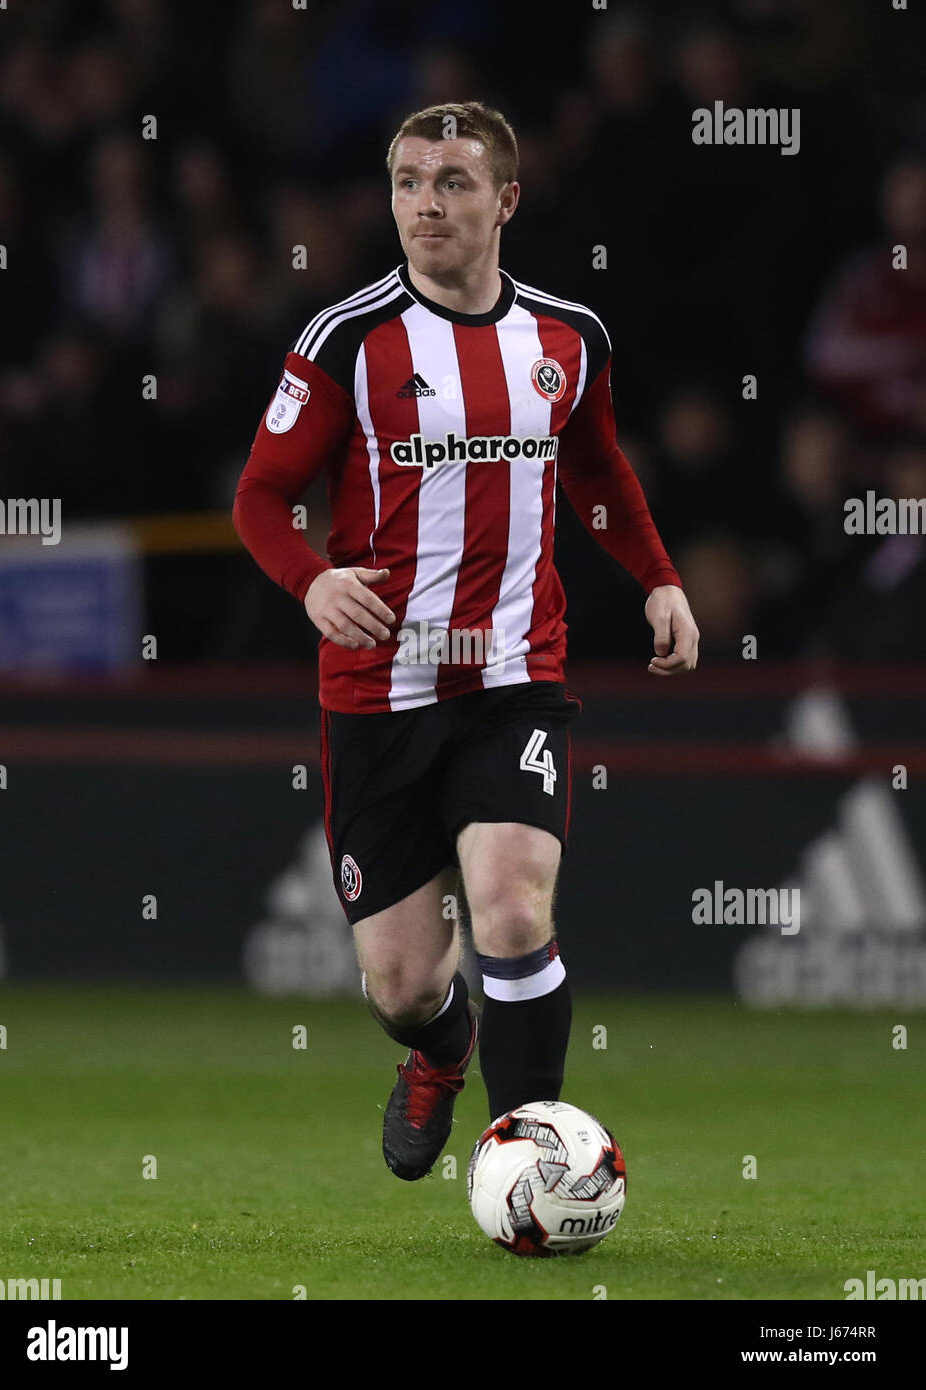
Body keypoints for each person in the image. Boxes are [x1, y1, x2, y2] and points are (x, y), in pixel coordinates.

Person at [233, 101, 699, 1181]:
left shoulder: (567, 338)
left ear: (506, 200)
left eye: (450, 182)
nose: (424, 204)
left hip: (513, 677)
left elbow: (595, 470)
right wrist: (311, 582)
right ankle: (441, 1050)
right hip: (377, 690)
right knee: (399, 983)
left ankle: (530, 1160)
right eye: (406, 182)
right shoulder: (345, 337)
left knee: (509, 900)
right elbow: (261, 494)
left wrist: (660, 578)